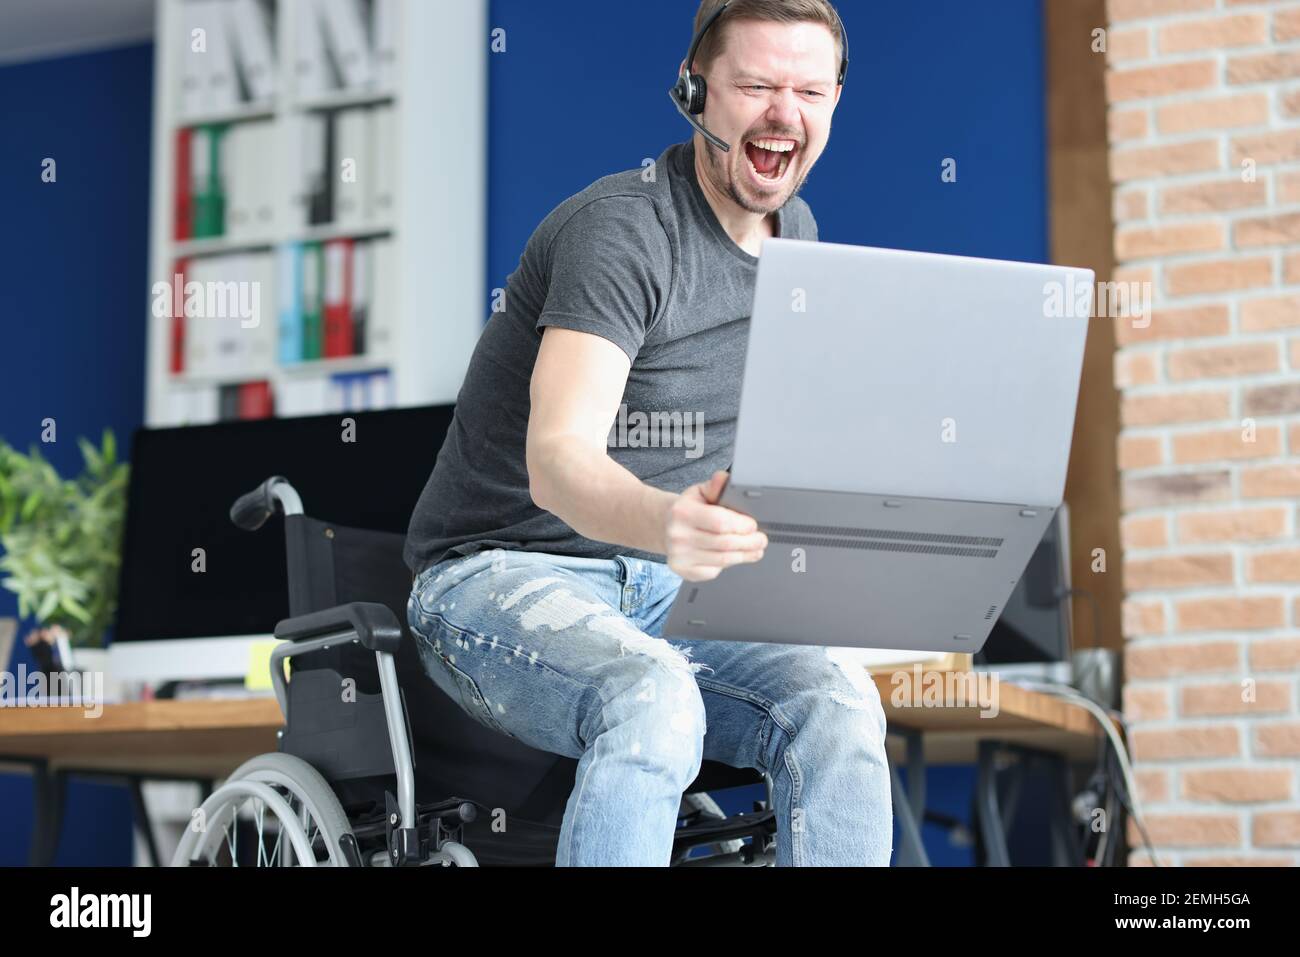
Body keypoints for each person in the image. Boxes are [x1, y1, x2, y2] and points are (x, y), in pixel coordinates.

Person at [404, 0, 892, 866]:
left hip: (668, 592)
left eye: (810, 89)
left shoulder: (801, 241)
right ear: (694, 92)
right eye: (756, 85)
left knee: (841, 701)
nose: (786, 112)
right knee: (653, 695)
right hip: (499, 572)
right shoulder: (623, 232)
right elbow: (558, 462)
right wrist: (671, 522)